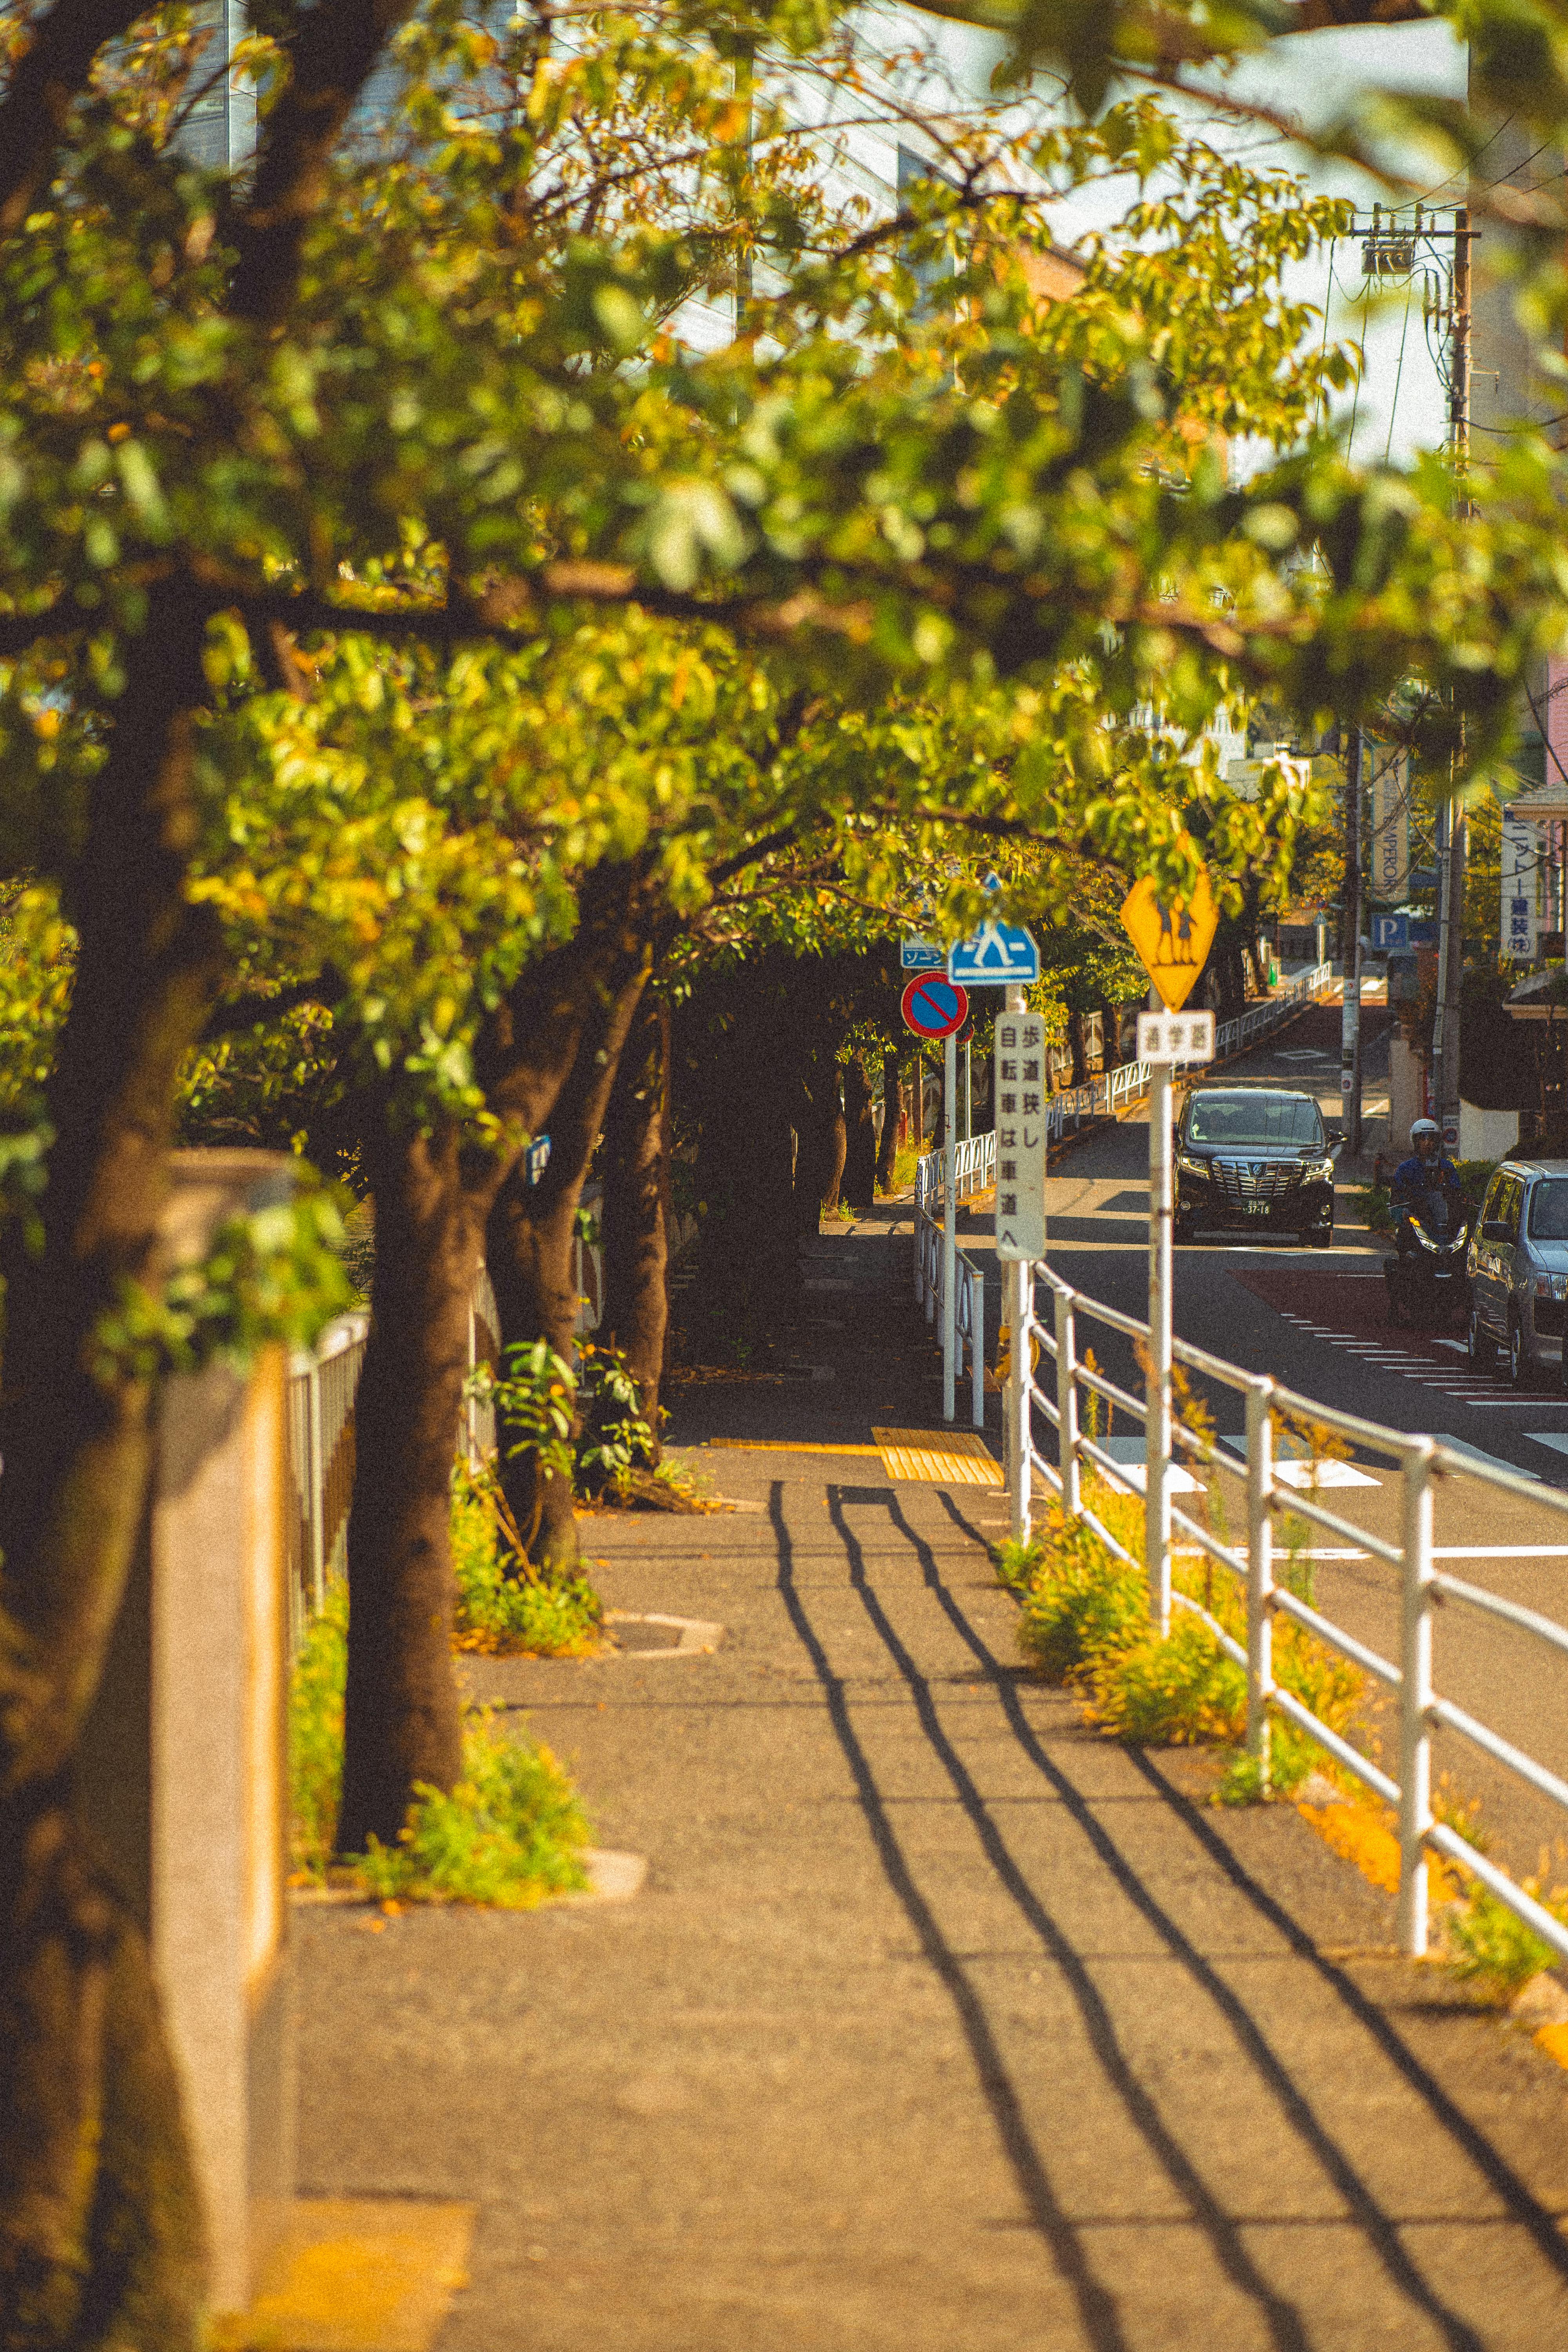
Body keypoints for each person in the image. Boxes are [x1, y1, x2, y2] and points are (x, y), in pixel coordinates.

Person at [1389, 1118, 1463, 1235]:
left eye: (1432, 1139)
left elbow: (1457, 1193)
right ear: (1415, 1142)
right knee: (1403, 1236)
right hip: (1415, 1223)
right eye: (1422, 1139)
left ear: (1437, 1142)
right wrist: (1402, 1213)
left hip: (1443, 1223)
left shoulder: (1447, 1167)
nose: (1427, 1143)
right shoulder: (1406, 1168)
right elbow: (1396, 1198)